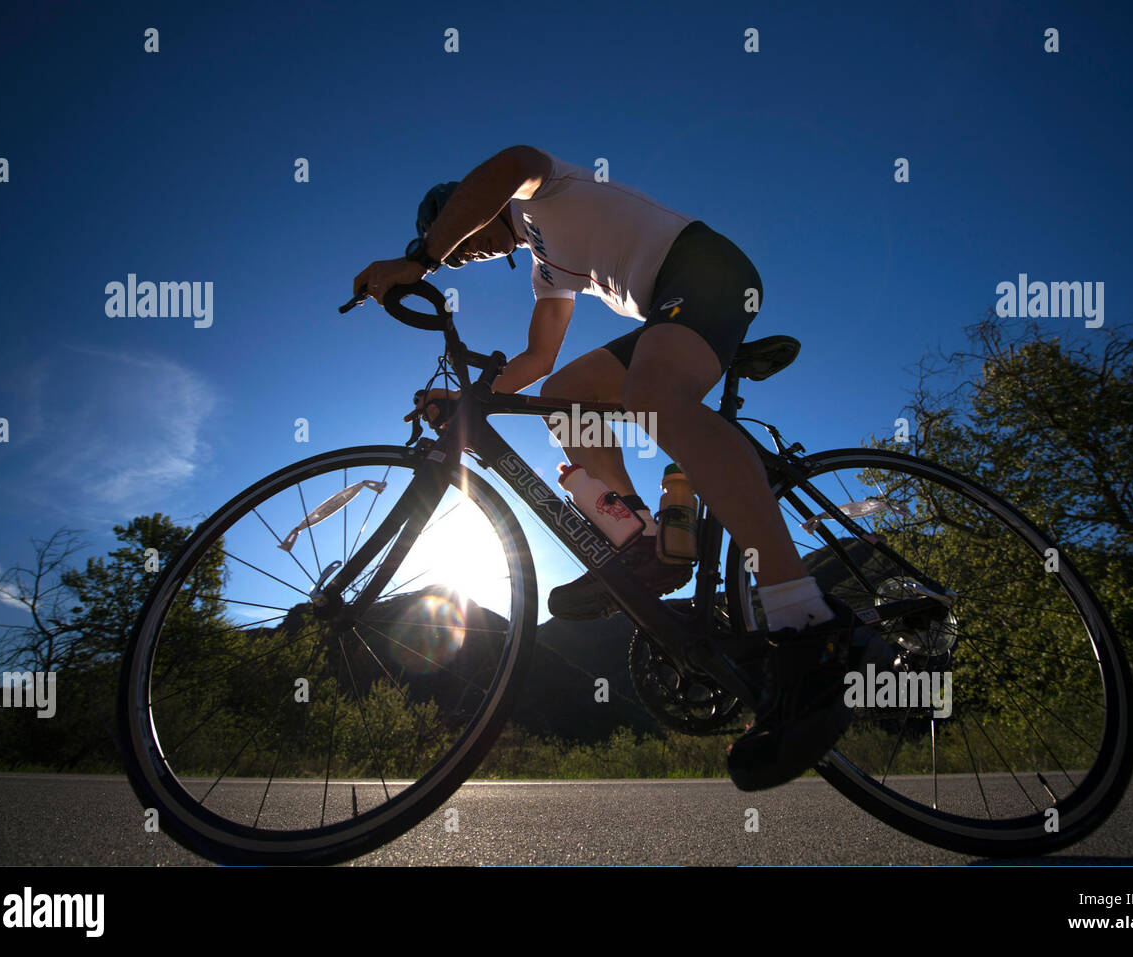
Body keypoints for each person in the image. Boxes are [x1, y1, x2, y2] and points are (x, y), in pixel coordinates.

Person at [353, 145, 855, 790]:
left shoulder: (538, 188)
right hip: (674, 306)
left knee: (654, 398)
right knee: (566, 398)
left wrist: (420, 258)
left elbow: (511, 161)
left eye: (457, 236)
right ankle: (645, 538)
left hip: (706, 272)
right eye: (457, 255)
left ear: (470, 209)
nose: (462, 254)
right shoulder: (546, 269)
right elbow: (538, 358)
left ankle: (803, 619)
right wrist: (472, 401)